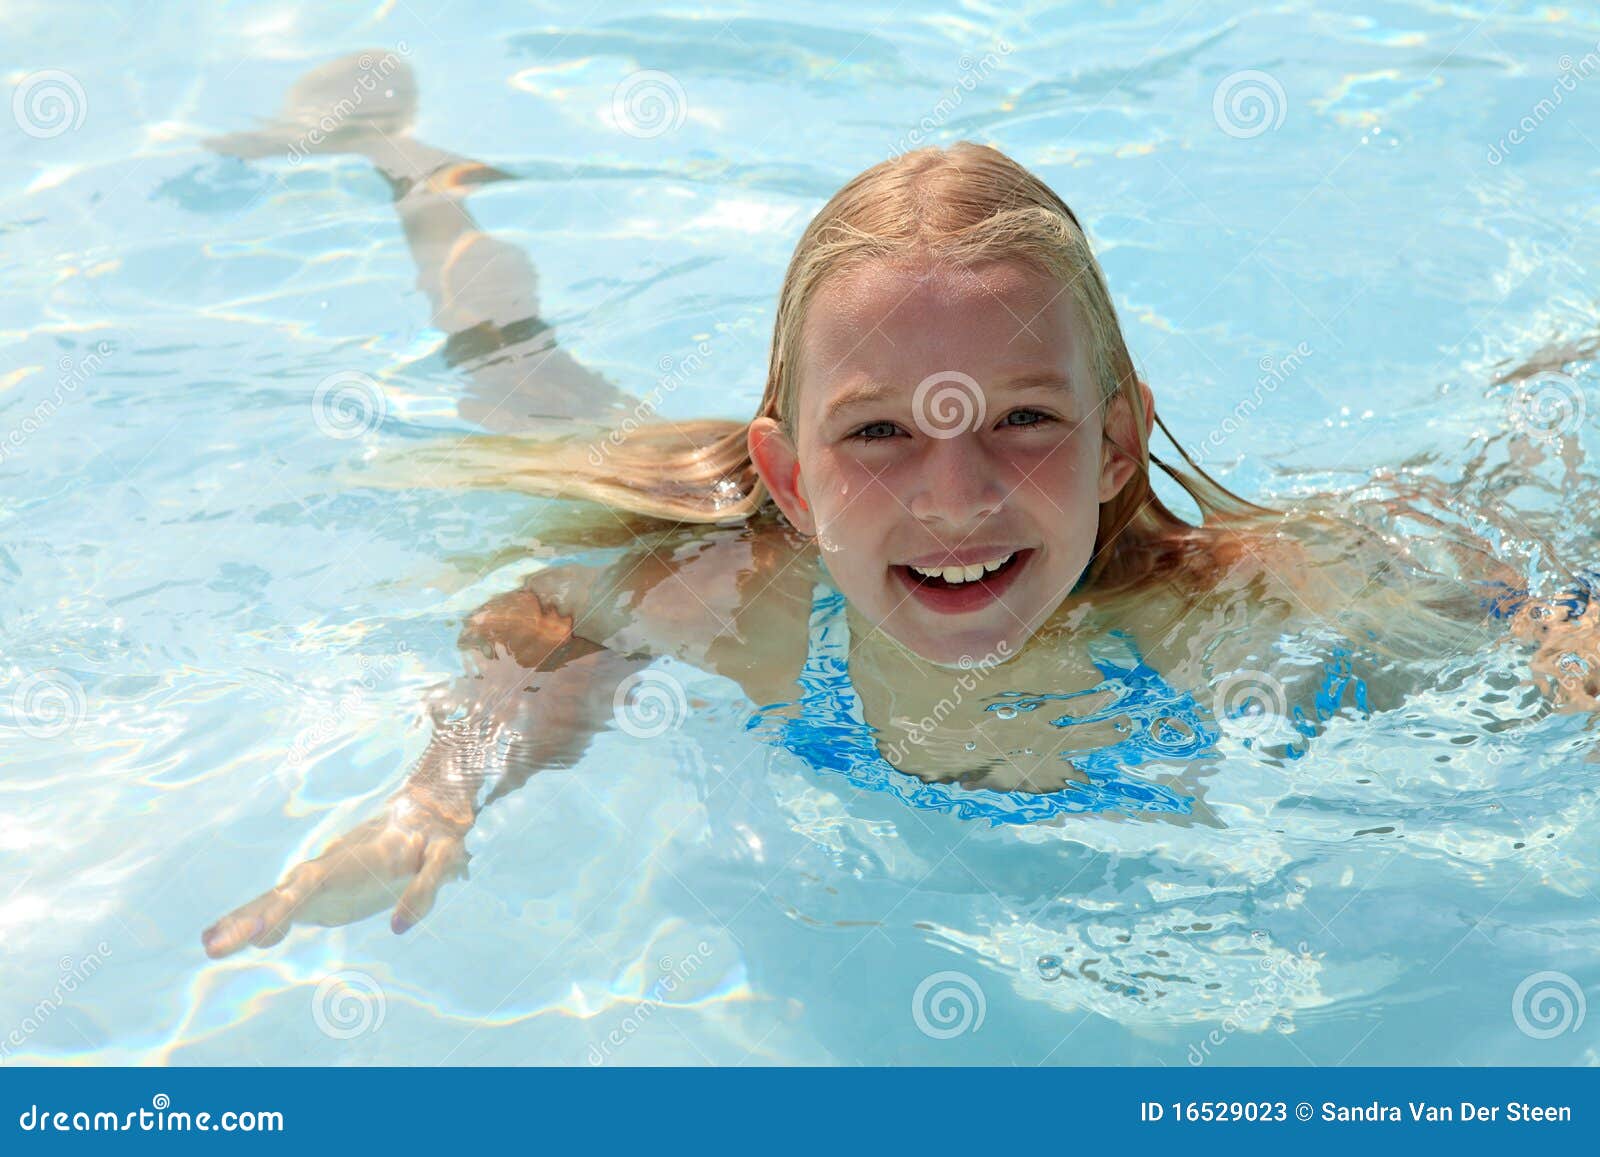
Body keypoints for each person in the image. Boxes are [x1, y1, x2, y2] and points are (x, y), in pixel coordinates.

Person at [200, 52, 1598, 958]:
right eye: (881, 433)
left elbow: (1496, 603)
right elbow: (545, 616)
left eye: (1026, 420)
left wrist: (1557, 645)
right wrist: (452, 791)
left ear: (1120, 443)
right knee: (516, 380)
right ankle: (419, 174)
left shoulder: (1225, 612)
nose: (956, 494)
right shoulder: (745, 605)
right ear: (797, 476)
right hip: (692, 488)